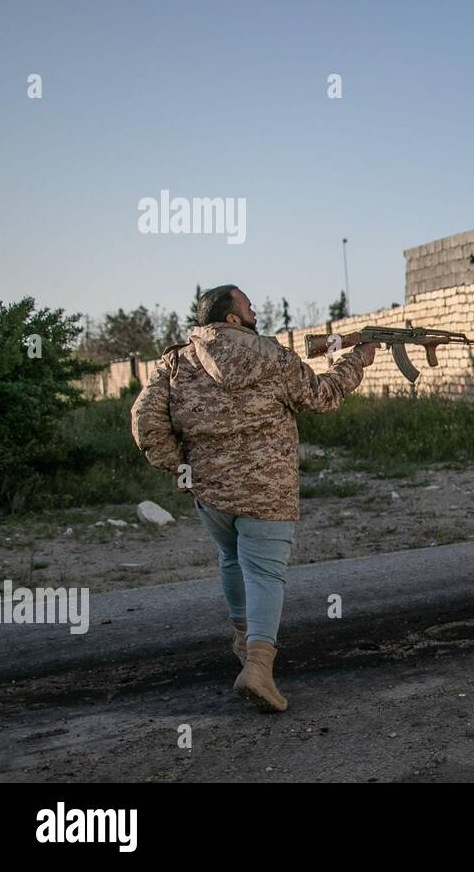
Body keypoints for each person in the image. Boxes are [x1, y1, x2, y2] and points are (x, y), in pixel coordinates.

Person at [131, 285, 378, 711]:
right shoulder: (272, 356)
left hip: (211, 493)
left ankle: (244, 645)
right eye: (247, 305)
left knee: (231, 561)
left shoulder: (176, 361)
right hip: (268, 492)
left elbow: (144, 420)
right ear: (230, 318)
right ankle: (259, 670)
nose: (255, 310)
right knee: (265, 574)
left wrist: (182, 466)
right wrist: (355, 360)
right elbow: (321, 396)